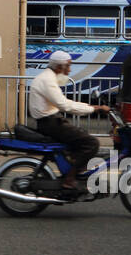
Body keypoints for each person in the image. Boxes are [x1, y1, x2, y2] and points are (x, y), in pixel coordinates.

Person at [28, 51, 107, 189]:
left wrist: (91, 107)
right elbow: (65, 105)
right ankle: (69, 178)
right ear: (59, 67)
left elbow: (65, 102)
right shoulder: (47, 80)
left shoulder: (48, 78)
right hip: (50, 123)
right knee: (91, 143)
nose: (69, 71)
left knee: (81, 135)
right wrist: (94, 109)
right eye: (68, 66)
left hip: (52, 121)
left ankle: (74, 165)